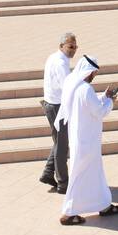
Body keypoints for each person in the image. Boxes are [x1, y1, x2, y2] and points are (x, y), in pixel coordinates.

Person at [56, 55, 118, 225]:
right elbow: (100, 112)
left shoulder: (75, 84)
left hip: (83, 139)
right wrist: (110, 101)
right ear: (88, 71)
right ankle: (68, 213)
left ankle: (104, 205)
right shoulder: (85, 89)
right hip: (86, 141)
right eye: (94, 72)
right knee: (80, 176)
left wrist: (103, 96)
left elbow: (88, 105)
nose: (94, 75)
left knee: (95, 174)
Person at [40, 33, 78, 193]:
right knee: (62, 146)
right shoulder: (61, 63)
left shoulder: (54, 57)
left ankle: (48, 173)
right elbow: (66, 87)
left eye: (75, 47)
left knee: (59, 142)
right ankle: (63, 184)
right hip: (57, 107)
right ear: (61, 46)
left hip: (51, 103)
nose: (73, 50)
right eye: (70, 47)